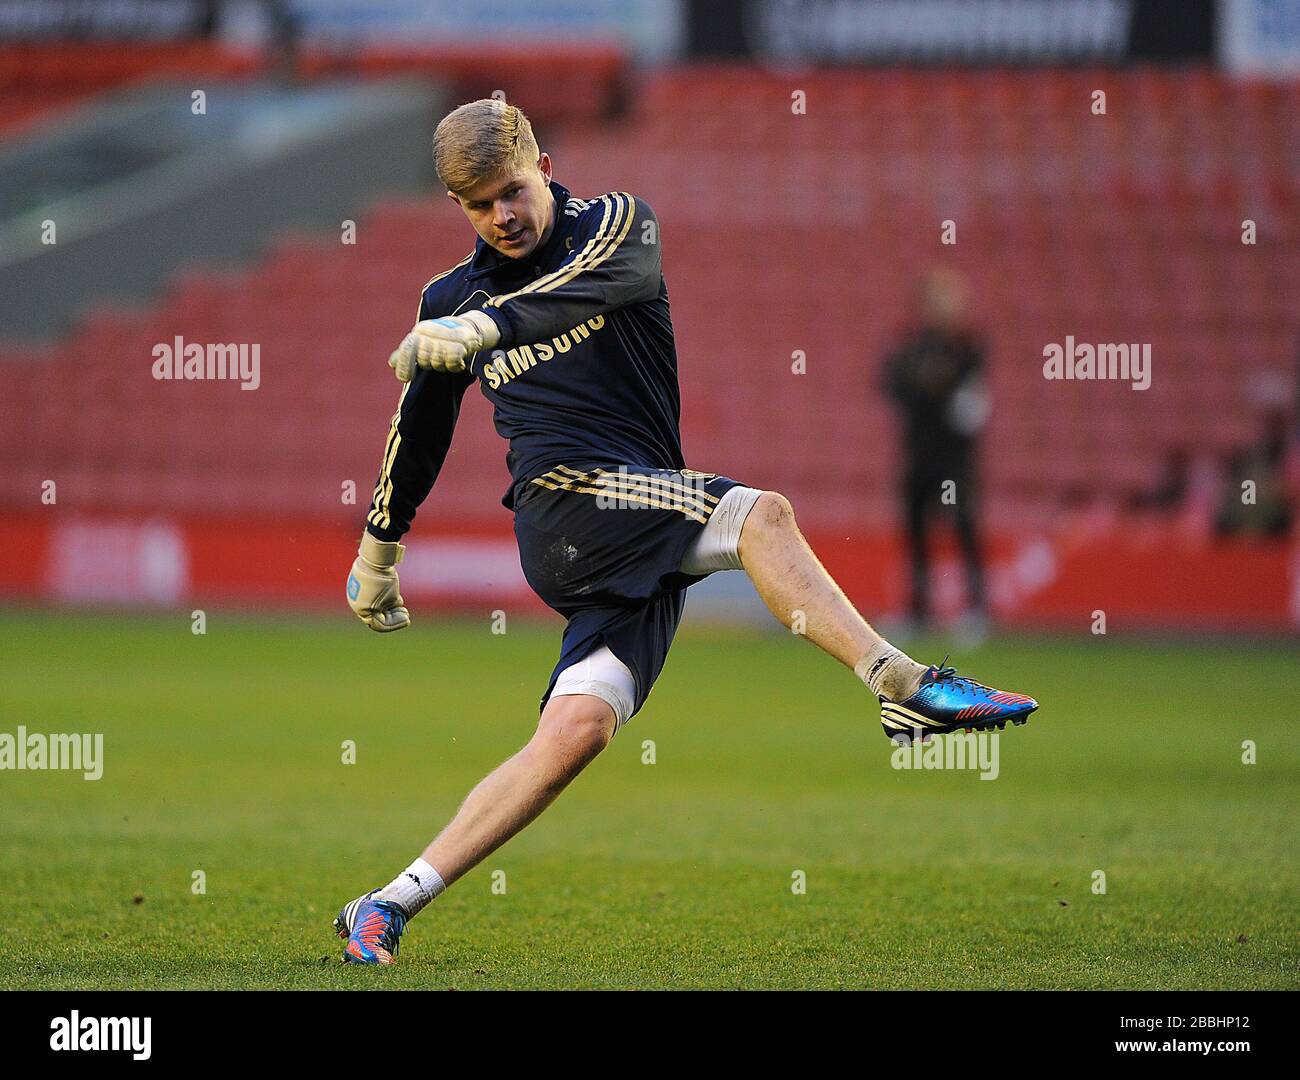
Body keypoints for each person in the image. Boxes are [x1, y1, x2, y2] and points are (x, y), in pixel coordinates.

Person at [334, 100, 1037, 965]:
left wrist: (483, 330)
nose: (501, 216)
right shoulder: (450, 297)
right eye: (477, 205)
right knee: (760, 514)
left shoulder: (618, 226)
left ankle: (389, 900)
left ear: (544, 163)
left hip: (636, 514)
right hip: (568, 505)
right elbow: (423, 428)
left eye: (511, 190)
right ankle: (902, 683)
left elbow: (589, 287)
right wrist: (379, 550)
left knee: (574, 735)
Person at [883, 269, 989, 629]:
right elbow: (891, 383)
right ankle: (919, 609)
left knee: (961, 525)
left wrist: (928, 387)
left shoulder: (967, 348)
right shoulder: (910, 346)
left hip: (954, 460)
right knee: (916, 532)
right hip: (919, 455)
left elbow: (965, 403)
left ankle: (976, 607)